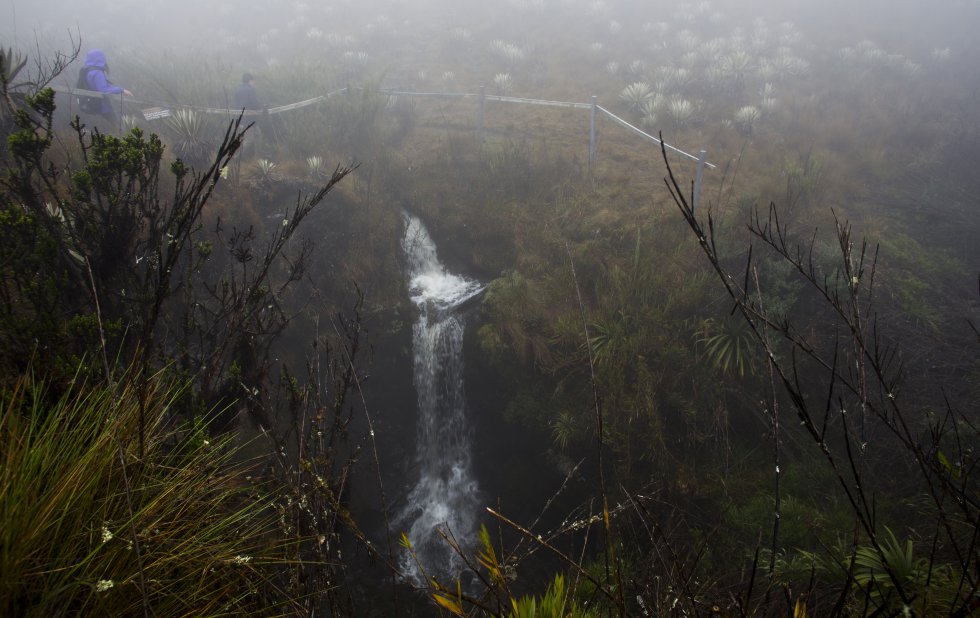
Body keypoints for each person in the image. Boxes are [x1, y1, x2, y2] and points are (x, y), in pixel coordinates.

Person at [77, 49, 133, 129]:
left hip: (96, 104)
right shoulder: (97, 72)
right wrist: (121, 90)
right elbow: (103, 90)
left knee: (117, 126)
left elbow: (97, 87)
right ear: (100, 58)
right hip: (104, 105)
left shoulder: (88, 71)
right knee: (121, 126)